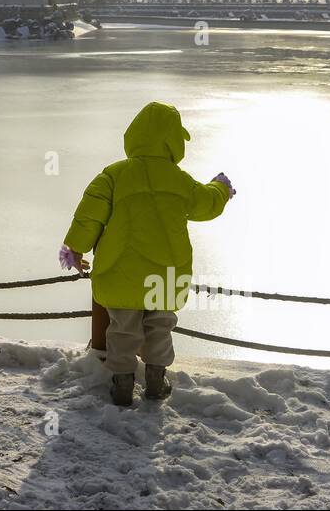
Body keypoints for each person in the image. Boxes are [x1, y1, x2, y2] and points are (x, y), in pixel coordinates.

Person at [58, 102, 234, 406]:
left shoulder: (113, 176)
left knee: (122, 329)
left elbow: (90, 216)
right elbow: (206, 204)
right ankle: (155, 379)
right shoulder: (179, 180)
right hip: (166, 272)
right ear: (172, 141)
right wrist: (220, 188)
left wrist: (75, 249)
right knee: (160, 327)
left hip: (120, 271)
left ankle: (122, 383)